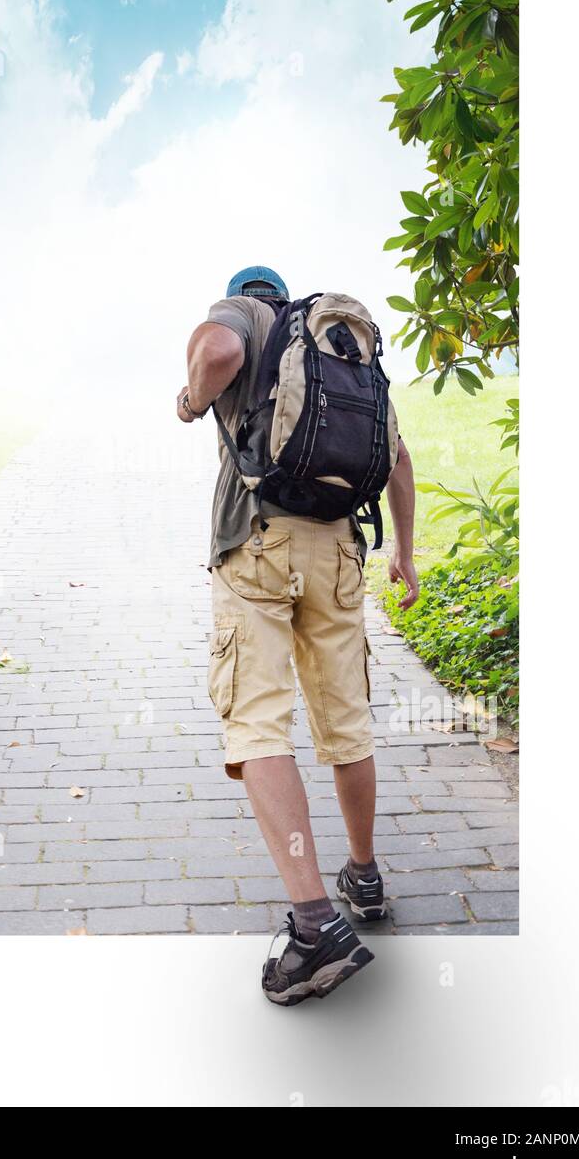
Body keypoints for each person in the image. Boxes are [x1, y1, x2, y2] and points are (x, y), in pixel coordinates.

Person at [177, 266, 419, 1005]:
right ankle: (364, 876)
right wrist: (404, 556)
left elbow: (215, 353)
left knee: (257, 721)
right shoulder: (338, 345)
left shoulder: (242, 316)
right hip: (339, 549)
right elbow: (398, 459)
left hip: (257, 542)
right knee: (345, 721)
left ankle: (315, 926)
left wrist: (190, 401)